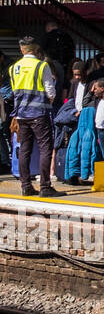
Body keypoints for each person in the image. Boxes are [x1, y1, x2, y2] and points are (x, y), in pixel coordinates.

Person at [9, 36, 58, 196]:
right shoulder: (41, 65)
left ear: (22, 49)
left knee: (24, 149)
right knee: (45, 148)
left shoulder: (14, 68)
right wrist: (48, 100)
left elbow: (15, 91)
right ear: (36, 49)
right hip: (39, 113)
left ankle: (26, 186)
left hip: (21, 115)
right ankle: (45, 187)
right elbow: (50, 91)